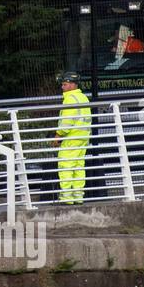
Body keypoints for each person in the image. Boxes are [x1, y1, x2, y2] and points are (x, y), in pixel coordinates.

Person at [52, 72, 90, 204]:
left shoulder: (70, 99)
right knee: (79, 167)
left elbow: (67, 121)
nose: (62, 87)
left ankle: (66, 198)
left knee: (65, 166)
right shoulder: (83, 97)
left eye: (65, 84)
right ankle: (78, 196)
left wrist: (58, 135)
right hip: (83, 138)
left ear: (73, 85)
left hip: (71, 138)